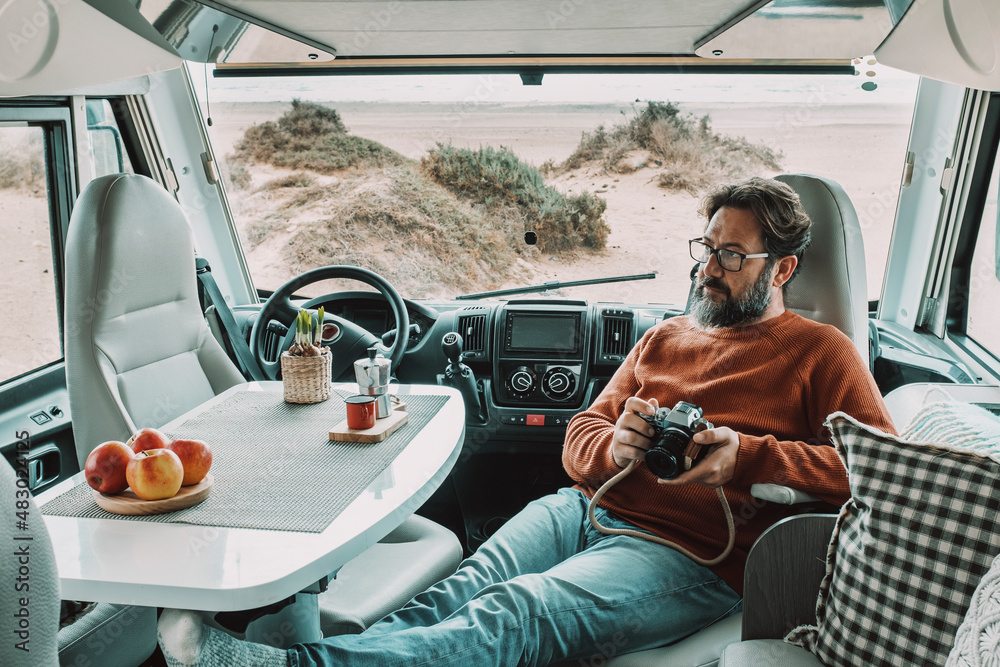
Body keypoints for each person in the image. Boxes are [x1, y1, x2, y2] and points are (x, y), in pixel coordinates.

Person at [157, 176, 896, 667]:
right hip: (585, 509)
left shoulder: (819, 352)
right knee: (462, 586)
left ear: (783, 269)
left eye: (732, 255)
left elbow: (884, 472)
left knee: (519, 611)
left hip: (692, 555)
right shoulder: (667, 335)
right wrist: (618, 445)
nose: (708, 268)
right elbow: (580, 440)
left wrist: (748, 457)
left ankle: (286, 663)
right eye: (706, 248)